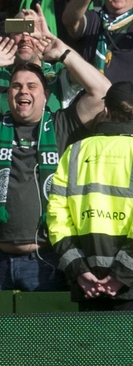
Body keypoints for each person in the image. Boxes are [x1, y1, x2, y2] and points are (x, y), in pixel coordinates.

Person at [0, 34, 110, 291]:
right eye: (16, 86)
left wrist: (65, 53)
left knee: (45, 332)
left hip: (47, 258)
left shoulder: (62, 125)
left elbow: (103, 93)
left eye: (32, 86)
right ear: (8, 95)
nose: (23, 91)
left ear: (45, 95)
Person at [47, 83, 133, 310]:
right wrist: (120, 276)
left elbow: (57, 218)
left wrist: (79, 271)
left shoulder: (74, 151)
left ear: (105, 111)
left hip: (88, 285)